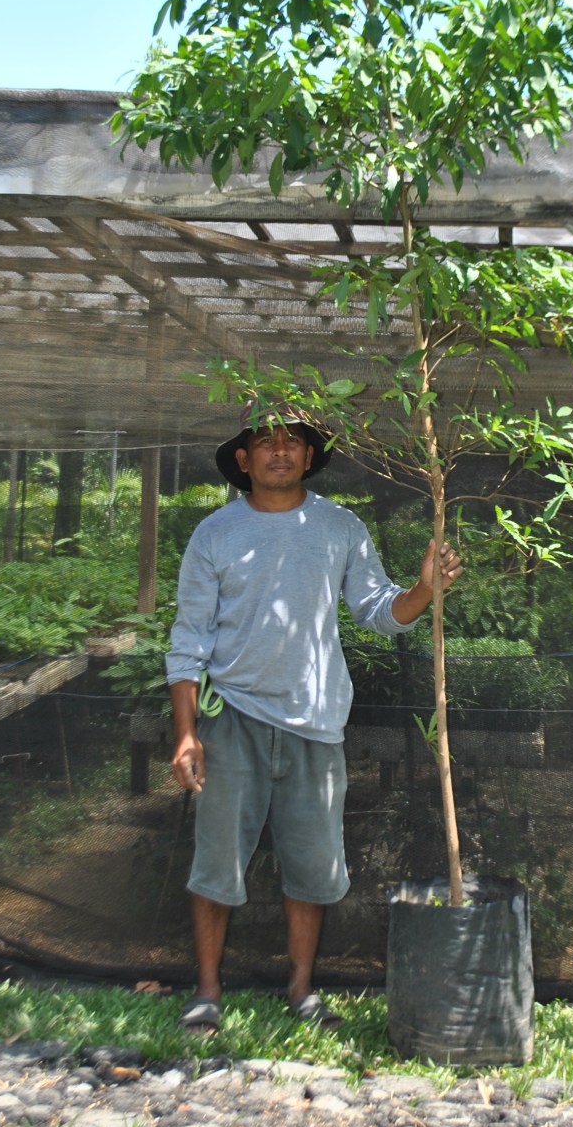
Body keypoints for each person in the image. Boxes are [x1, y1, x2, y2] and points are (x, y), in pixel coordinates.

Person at [165, 406, 462, 1032]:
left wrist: (424, 590)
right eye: (265, 442)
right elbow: (188, 640)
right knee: (217, 863)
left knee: (313, 866)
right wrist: (187, 732)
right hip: (233, 724)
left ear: (308, 455)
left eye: (292, 441)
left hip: (316, 725)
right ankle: (207, 992)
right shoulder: (214, 535)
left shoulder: (339, 527)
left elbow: (379, 610)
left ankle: (302, 990)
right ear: (243, 460)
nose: (279, 451)